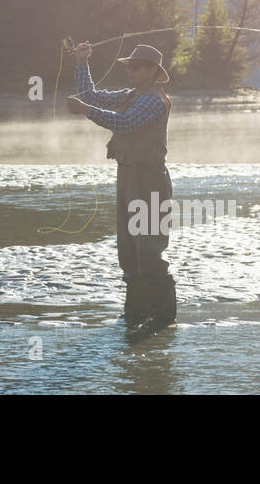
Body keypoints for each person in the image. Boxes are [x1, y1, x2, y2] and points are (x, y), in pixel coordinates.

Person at [67, 41, 177, 337]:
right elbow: (90, 95)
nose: (130, 71)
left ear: (154, 71)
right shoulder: (131, 95)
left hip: (150, 180)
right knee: (128, 248)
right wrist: (82, 62)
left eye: (137, 66)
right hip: (128, 177)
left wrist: (86, 111)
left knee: (149, 249)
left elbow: (126, 123)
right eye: (129, 66)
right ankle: (135, 312)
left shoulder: (154, 100)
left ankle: (163, 316)